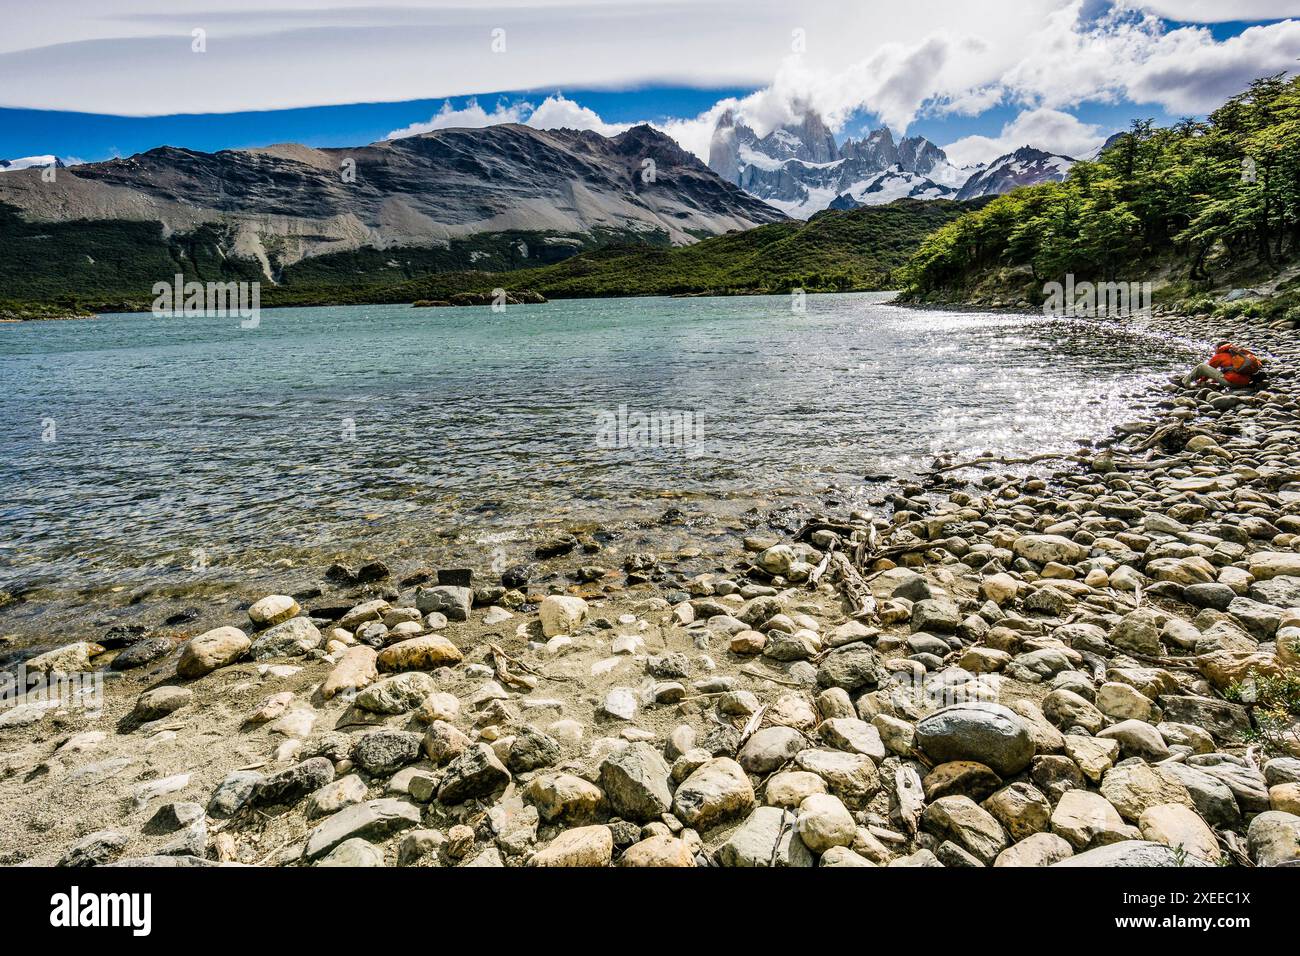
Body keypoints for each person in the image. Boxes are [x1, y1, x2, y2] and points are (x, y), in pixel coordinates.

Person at [1182, 342, 1264, 389]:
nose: (1214, 350)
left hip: (1232, 382)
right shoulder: (1239, 355)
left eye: (1215, 348)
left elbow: (1205, 371)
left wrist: (1200, 382)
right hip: (1246, 382)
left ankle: (1185, 382)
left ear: (1219, 348)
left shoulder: (1219, 356)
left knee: (1201, 366)